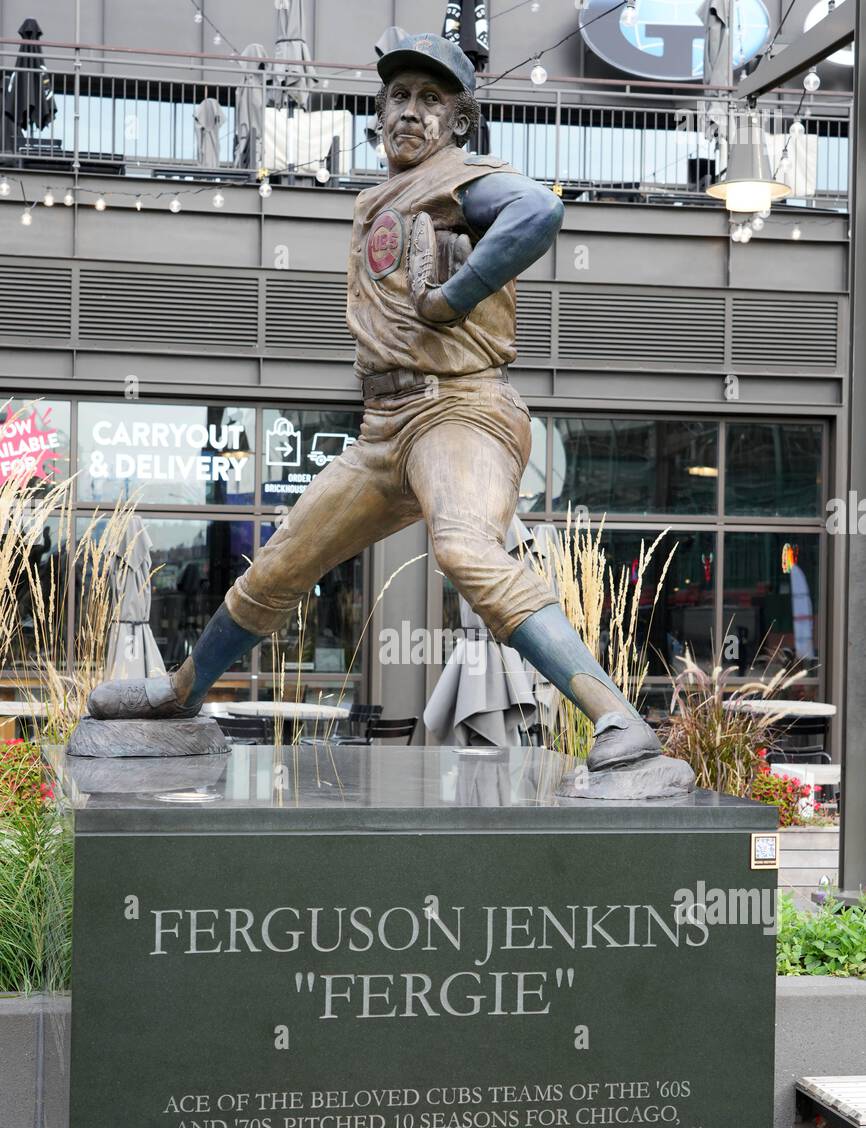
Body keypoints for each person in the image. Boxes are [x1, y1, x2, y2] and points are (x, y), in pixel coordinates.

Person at [87, 32, 673, 778]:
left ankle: (618, 719)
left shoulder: (464, 178)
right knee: (278, 565)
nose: (411, 112)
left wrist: (452, 298)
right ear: (378, 111)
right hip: (384, 430)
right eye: (399, 96)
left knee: (464, 548)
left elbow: (538, 212)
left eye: (432, 100)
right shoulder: (377, 199)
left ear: (458, 123)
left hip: (461, 410)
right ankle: (180, 692)